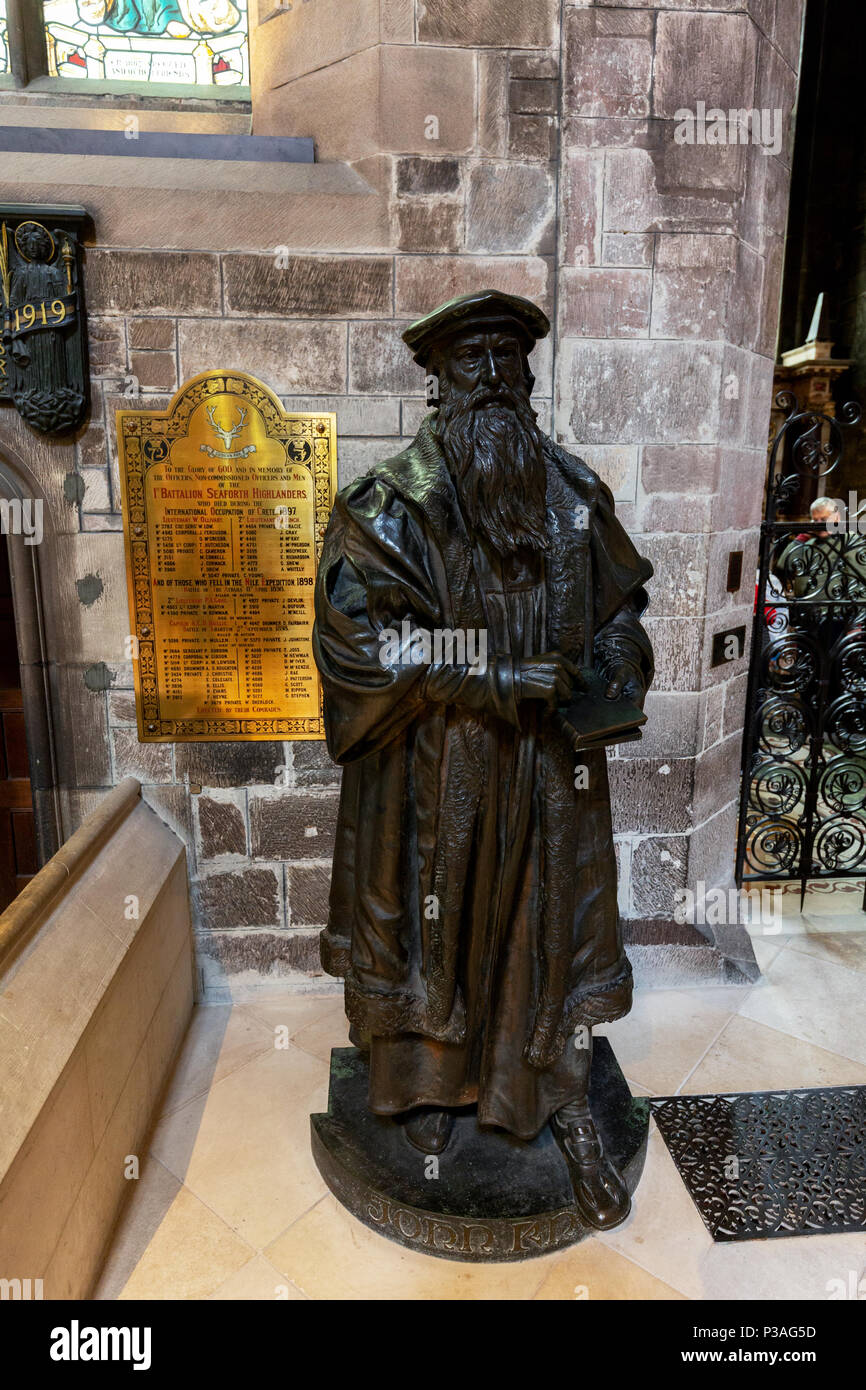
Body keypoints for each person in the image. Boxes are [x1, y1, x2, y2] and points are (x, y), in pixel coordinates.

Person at [313, 290, 654, 1230]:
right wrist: (495, 673)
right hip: (438, 774)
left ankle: (554, 1101)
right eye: (477, 363)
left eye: (513, 362)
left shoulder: (574, 497)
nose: (498, 380)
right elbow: (363, 649)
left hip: (551, 772)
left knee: (547, 938)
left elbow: (622, 607)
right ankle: (431, 1092)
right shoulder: (386, 511)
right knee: (440, 929)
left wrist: (619, 656)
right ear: (440, 382)